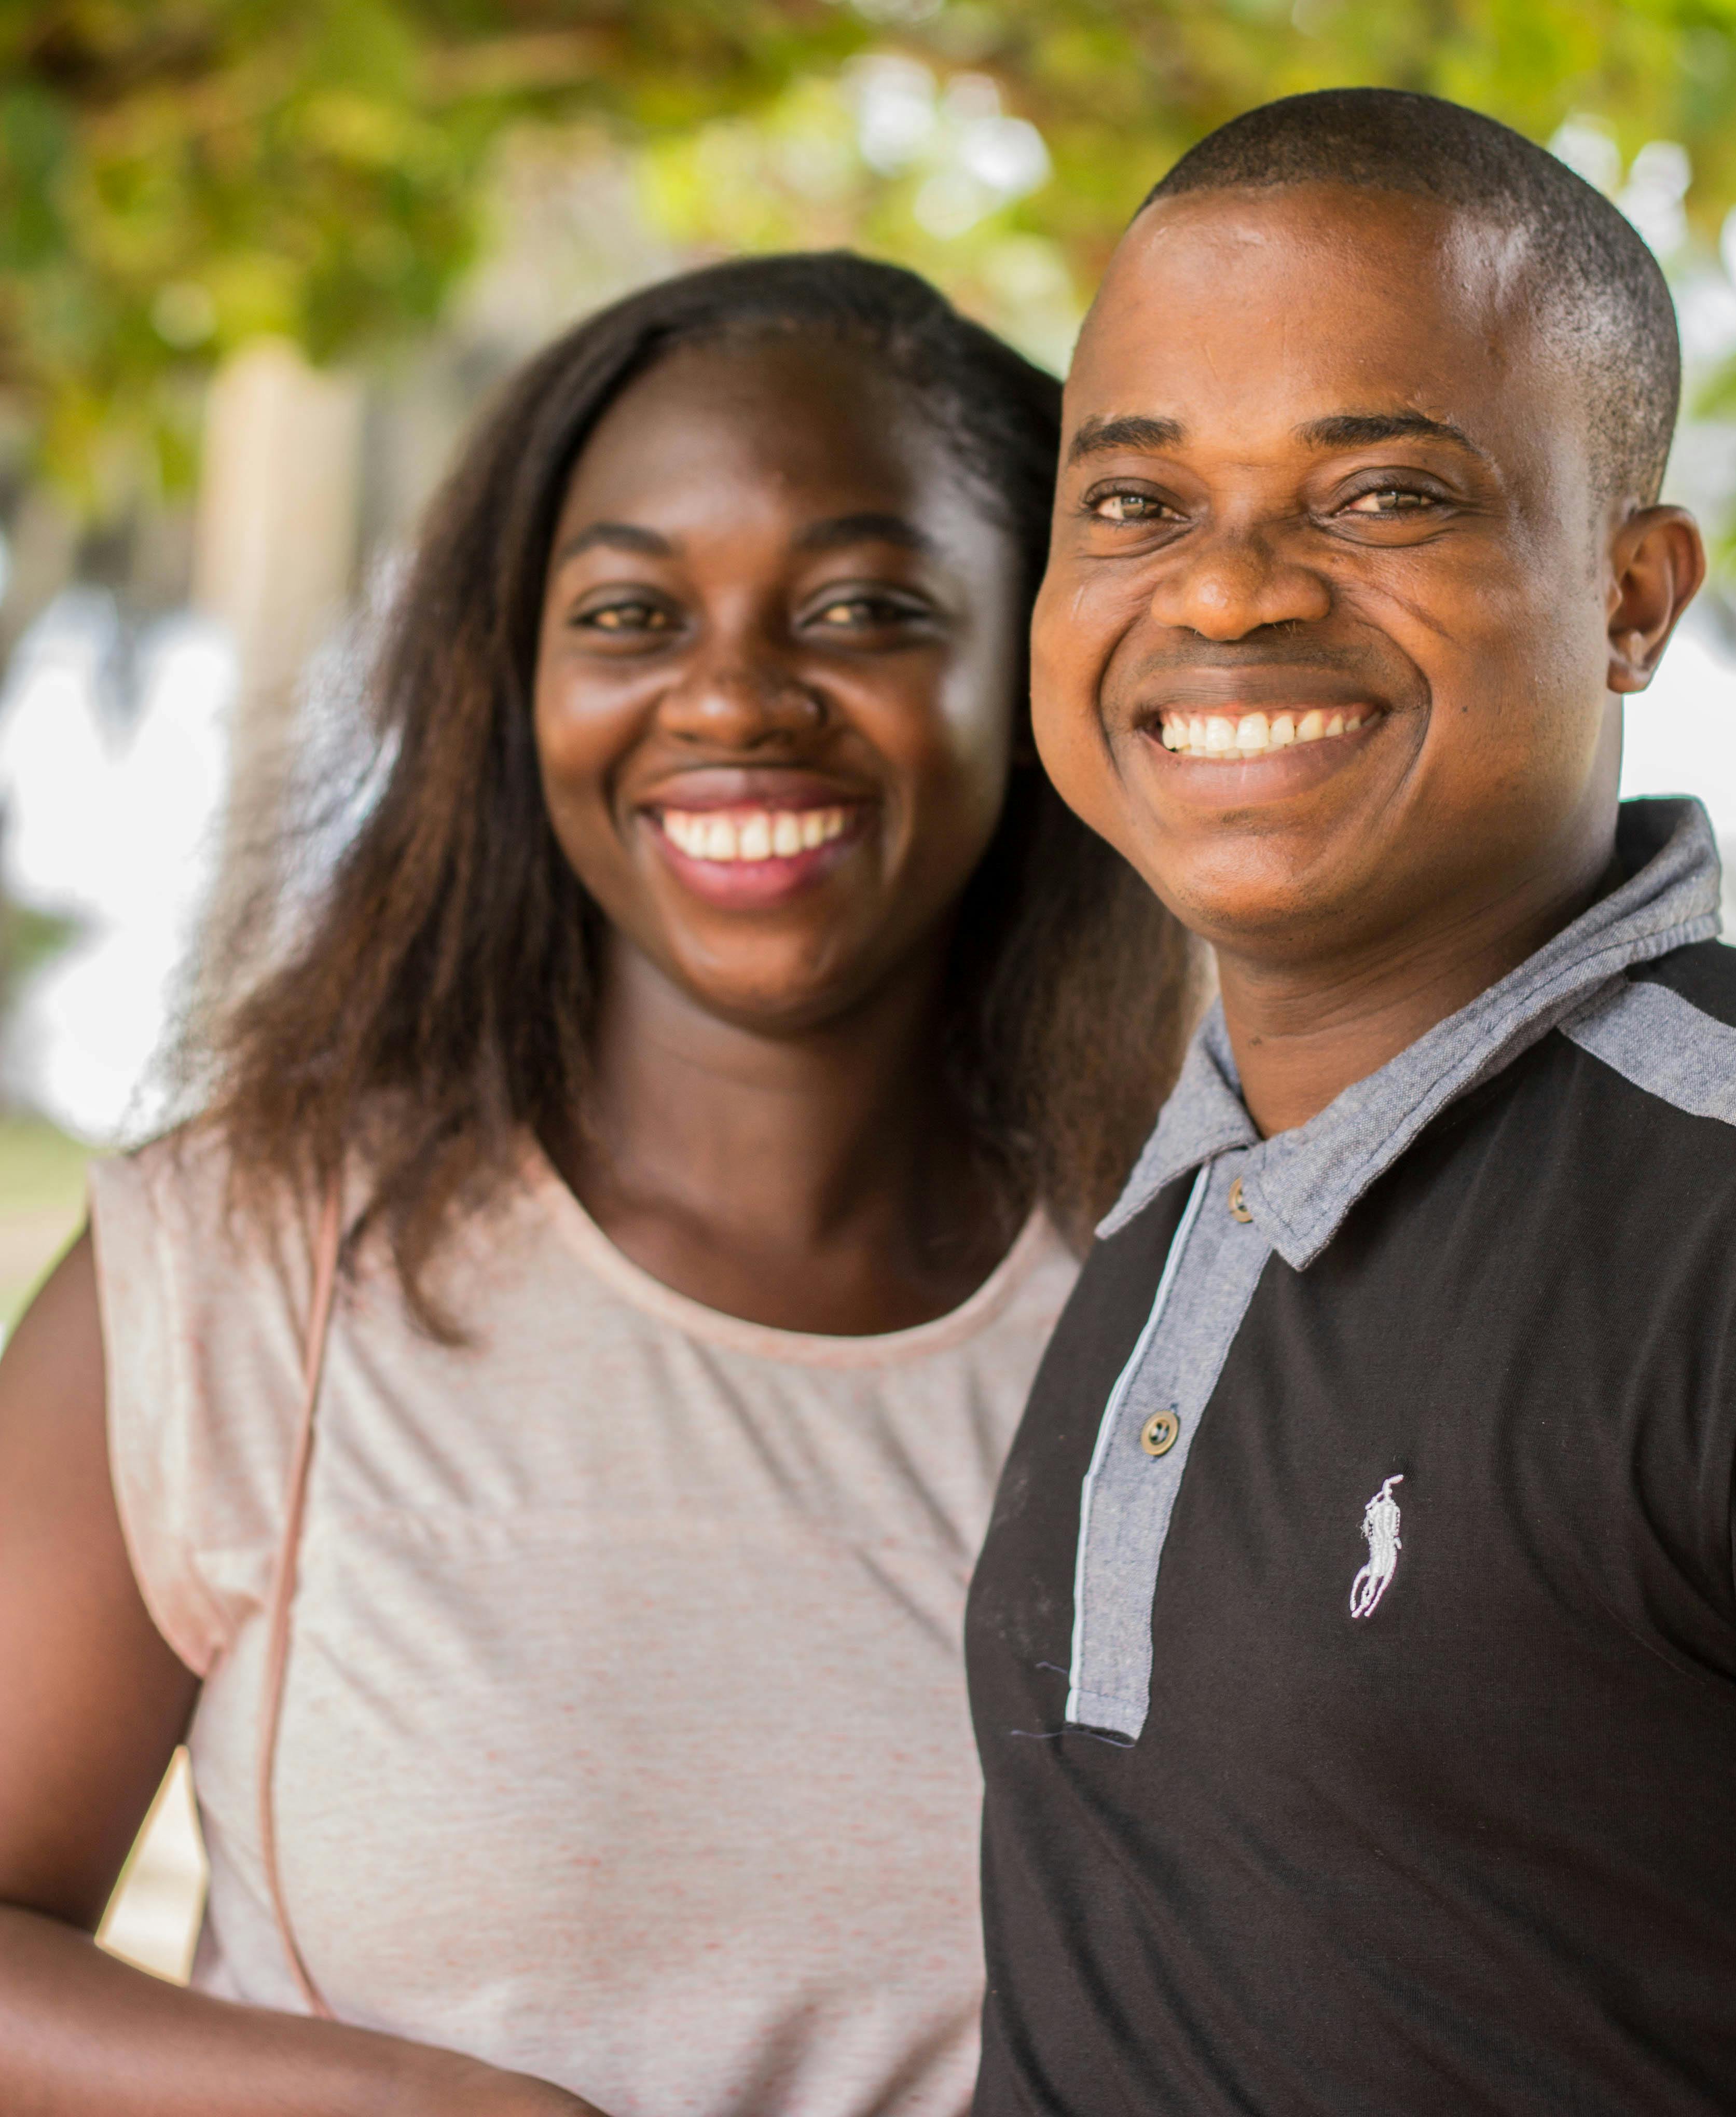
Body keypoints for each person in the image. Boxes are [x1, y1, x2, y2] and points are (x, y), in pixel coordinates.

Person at [0, 252, 1191, 2117]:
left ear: (1037, 666)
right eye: (633, 613)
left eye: (864, 608)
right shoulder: (240, 1265)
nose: (736, 697)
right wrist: (427, 2111)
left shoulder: (1196, 1321)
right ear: (517, 682)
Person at [967, 89, 1736, 2113]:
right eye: (1138, 503)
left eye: (1386, 495)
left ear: (1632, 596)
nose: (1229, 594)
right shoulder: (1183, 1192)